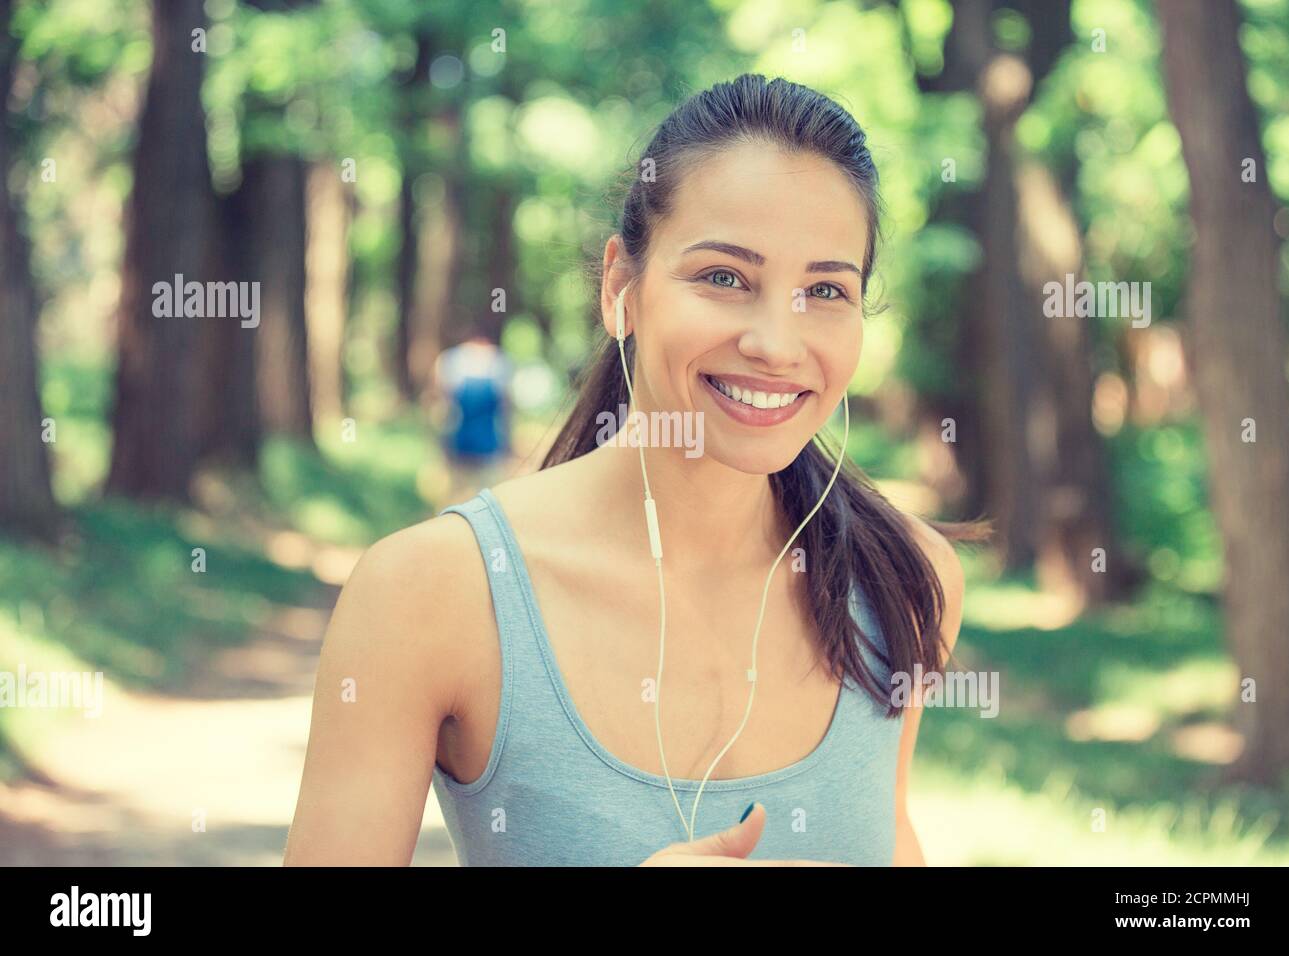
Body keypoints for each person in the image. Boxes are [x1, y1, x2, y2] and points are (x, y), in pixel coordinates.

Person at [285, 74, 984, 867]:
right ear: (622, 288)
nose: (777, 343)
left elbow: (892, 836)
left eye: (825, 290)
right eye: (725, 277)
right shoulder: (429, 594)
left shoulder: (905, 577)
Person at [432, 332, 513, 503]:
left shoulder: (451, 362)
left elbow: (443, 410)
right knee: (486, 499)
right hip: (475, 444)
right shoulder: (499, 363)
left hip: (473, 444)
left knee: (458, 497)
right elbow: (506, 410)